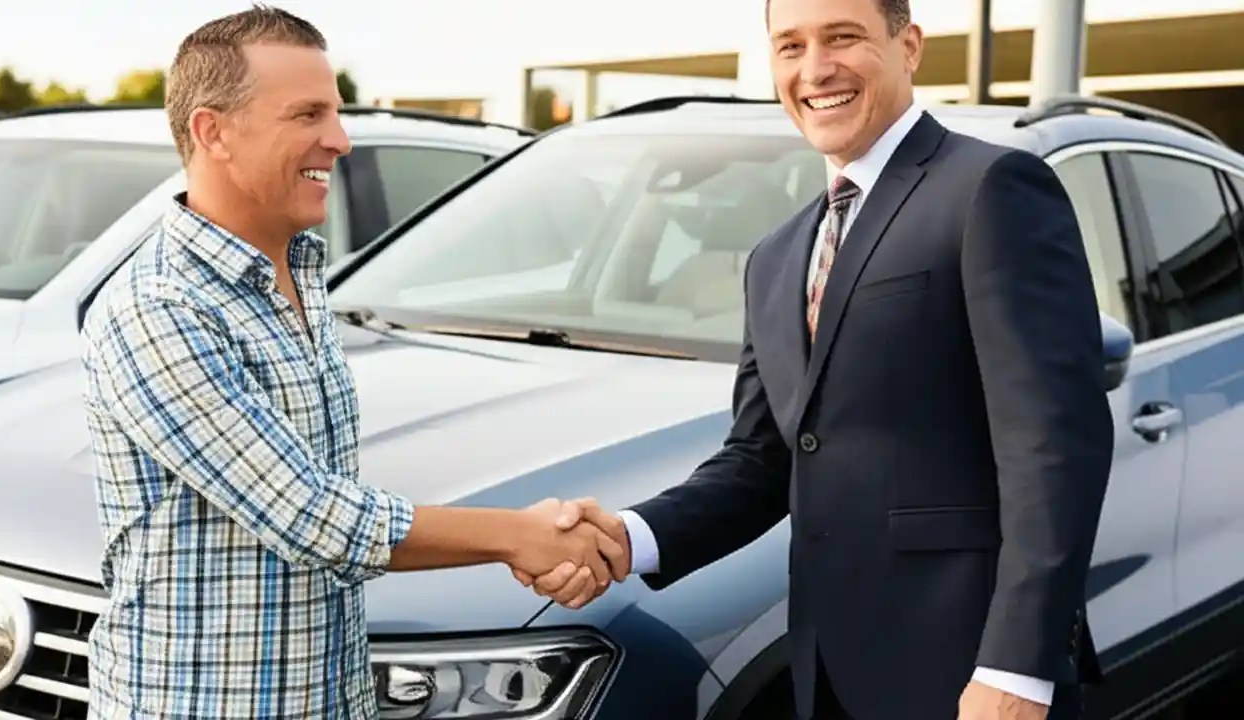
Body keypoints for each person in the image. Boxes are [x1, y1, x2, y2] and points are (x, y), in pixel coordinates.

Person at [520, 0, 1115, 718]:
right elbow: (760, 459)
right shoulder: (776, 257)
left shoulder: (992, 189)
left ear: (909, 46)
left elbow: (1052, 447)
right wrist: (626, 536)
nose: (815, 69)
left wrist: (1018, 670)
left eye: (843, 38)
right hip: (825, 672)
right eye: (789, 46)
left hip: (969, 672)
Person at [79, 7, 621, 719]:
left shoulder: (297, 273)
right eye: (306, 115)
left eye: (334, 113)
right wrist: (518, 535)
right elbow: (312, 516)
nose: (339, 140)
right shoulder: (159, 306)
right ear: (213, 131)